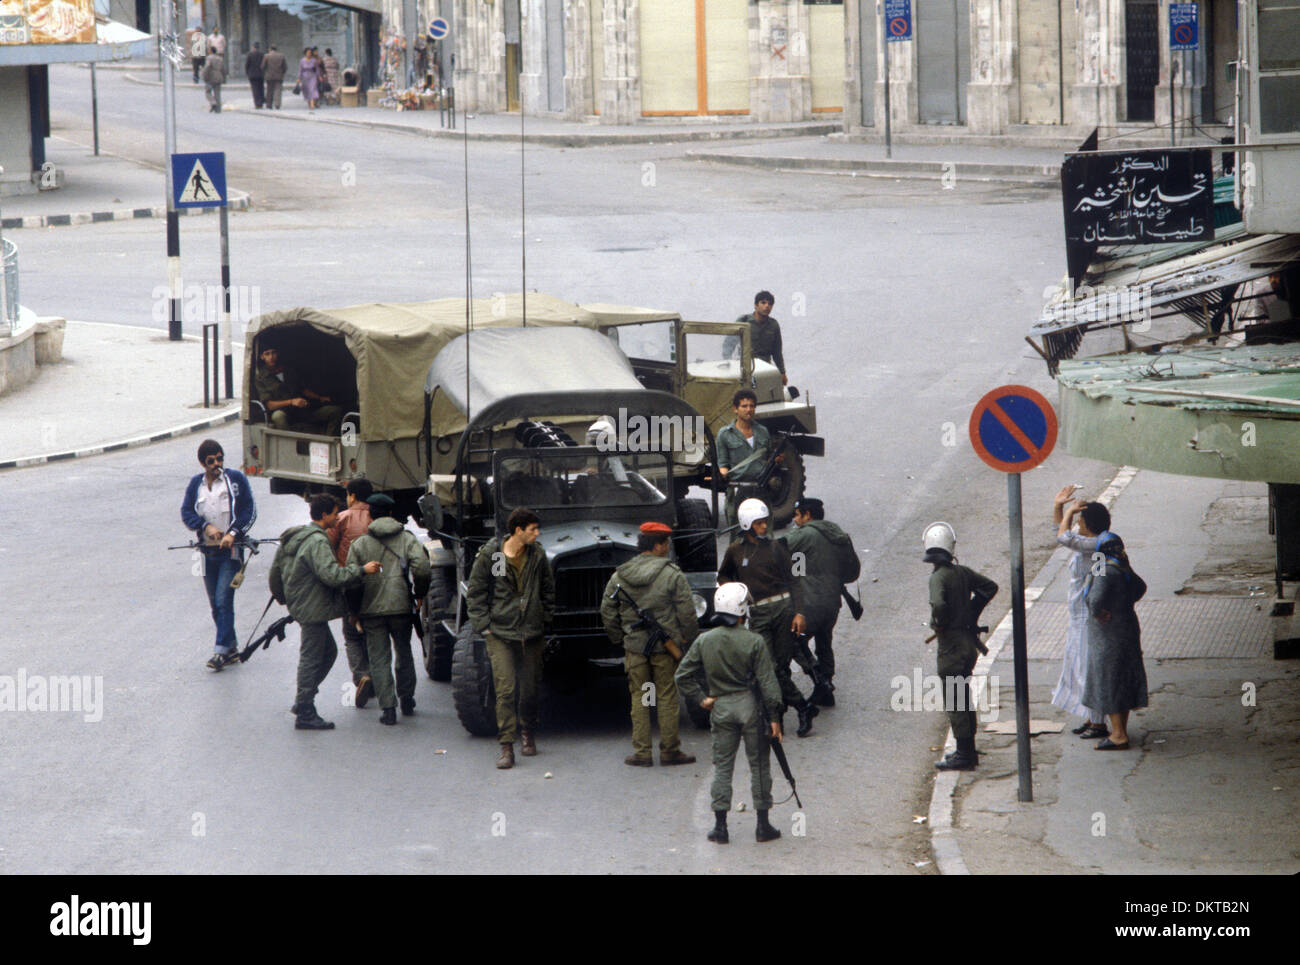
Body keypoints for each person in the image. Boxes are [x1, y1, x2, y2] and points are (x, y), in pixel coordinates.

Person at [675, 583, 784, 844]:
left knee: (722, 766)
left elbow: (682, 676)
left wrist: (702, 700)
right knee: (759, 765)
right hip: (749, 708)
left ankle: (720, 828)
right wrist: (774, 719)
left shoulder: (704, 640)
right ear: (741, 610)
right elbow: (769, 686)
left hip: (721, 708)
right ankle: (762, 826)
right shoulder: (755, 641)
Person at [275, 494, 380, 730]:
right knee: (312, 659)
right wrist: (361, 570)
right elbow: (332, 575)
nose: (336, 517)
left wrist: (290, 600)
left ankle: (303, 700)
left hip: (304, 606)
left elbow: (275, 575)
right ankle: (305, 710)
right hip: (312, 609)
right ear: (324, 515)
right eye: (334, 513)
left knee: (328, 652)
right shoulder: (318, 542)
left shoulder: (294, 538)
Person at [600, 521, 700, 767]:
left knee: (643, 697)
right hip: (665, 649)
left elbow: (607, 611)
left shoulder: (620, 575)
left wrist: (619, 638)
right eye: (665, 543)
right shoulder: (671, 573)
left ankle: (642, 752)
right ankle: (670, 750)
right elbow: (687, 611)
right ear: (658, 545)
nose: (667, 547)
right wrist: (687, 638)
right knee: (666, 697)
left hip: (635, 648)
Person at [717, 498, 817, 737]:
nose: (764, 527)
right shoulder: (735, 550)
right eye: (759, 523)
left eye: (765, 522)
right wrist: (737, 593)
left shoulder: (776, 547)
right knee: (768, 667)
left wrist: (799, 613)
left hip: (783, 610)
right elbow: (723, 577)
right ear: (747, 524)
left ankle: (778, 714)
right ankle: (802, 706)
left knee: (780, 666)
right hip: (758, 613)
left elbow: (795, 581)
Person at [466, 507, 555, 769]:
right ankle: (506, 745)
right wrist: (485, 627)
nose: (537, 535)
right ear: (518, 530)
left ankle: (528, 730)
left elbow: (548, 589)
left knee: (529, 689)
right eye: (533, 530)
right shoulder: (493, 556)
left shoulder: (537, 556)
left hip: (531, 632)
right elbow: (476, 593)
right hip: (500, 634)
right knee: (505, 690)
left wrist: (544, 617)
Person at [346, 494, 431, 726]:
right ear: (392, 514)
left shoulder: (360, 545)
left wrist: (354, 612)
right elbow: (422, 567)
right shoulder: (407, 538)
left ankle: (388, 708)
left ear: (370, 515)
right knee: (403, 651)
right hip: (401, 606)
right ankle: (407, 698)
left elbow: (352, 581)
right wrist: (419, 593)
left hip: (371, 610)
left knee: (379, 658)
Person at [924, 522, 998, 771]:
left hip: (951, 647)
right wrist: (972, 612)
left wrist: (940, 623)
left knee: (955, 699)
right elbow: (989, 587)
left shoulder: (938, 577)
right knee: (963, 695)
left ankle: (964, 754)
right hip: (968, 644)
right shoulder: (962, 572)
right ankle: (968, 748)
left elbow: (938, 604)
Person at [181, 439, 257, 670]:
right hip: (207, 553)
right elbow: (186, 512)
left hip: (230, 553)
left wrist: (233, 533)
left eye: (220, 458)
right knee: (215, 604)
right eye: (211, 460)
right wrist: (206, 528)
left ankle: (220, 651)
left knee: (224, 600)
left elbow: (249, 510)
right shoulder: (197, 484)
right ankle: (231, 646)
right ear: (203, 463)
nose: (217, 464)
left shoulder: (235, 480)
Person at [783, 496, 858, 707]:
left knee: (793, 642)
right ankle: (826, 688)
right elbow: (851, 572)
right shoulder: (837, 533)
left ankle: (820, 681)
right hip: (833, 603)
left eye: (797, 516)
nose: (795, 521)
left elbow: (778, 550)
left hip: (810, 605)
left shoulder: (805, 534)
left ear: (808, 515)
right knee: (824, 642)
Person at [1082, 530, 1148, 750]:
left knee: (1108, 680)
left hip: (1108, 633)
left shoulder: (1103, 568)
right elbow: (1140, 588)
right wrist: (1123, 603)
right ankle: (1120, 730)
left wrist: (1101, 610)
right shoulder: (1122, 565)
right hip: (1128, 627)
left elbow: (1095, 600)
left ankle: (1118, 735)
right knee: (1122, 679)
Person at [1052, 486, 1108, 739]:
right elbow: (1062, 533)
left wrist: (1067, 510)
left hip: (1089, 616)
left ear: (1090, 525)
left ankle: (1098, 722)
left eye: (1080, 521)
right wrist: (1059, 508)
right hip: (1079, 614)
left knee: (1088, 669)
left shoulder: (1094, 544)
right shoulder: (1087, 541)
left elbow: (1063, 537)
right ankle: (1090, 717)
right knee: (1077, 667)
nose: (1076, 524)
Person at [328, 478, 375, 707]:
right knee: (373, 632)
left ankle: (362, 676)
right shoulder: (377, 518)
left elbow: (328, 546)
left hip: (349, 583)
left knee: (352, 634)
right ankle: (378, 678)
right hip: (376, 582)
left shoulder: (343, 518)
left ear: (352, 496)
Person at [715, 389, 779, 531]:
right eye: (744, 406)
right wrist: (723, 473)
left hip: (760, 489)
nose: (748, 409)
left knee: (764, 533)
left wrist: (776, 460)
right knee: (738, 534)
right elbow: (723, 463)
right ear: (735, 409)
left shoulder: (762, 431)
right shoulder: (725, 434)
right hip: (738, 490)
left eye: (752, 406)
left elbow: (768, 458)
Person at [253, 342, 344, 436]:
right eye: (267, 354)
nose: (271, 357)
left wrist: (319, 397)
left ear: (278, 354)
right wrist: (291, 402)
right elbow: (269, 405)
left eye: (273, 353)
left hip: (301, 410)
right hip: (284, 412)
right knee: (278, 416)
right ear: (262, 357)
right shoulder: (260, 378)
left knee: (335, 411)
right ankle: (288, 444)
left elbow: (303, 389)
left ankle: (328, 442)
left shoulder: (288, 370)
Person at [723, 290, 787, 386]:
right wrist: (727, 364)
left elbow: (777, 352)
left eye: (770, 304)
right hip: (745, 367)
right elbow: (729, 344)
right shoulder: (744, 321)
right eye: (763, 302)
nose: (767, 306)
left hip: (764, 368)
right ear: (756, 305)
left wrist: (782, 372)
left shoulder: (773, 325)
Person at [201, 45, 226, 113]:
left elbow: (207, 67)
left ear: (211, 51)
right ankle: (218, 109)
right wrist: (224, 78)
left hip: (211, 77)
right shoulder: (220, 58)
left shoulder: (209, 58)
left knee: (208, 92)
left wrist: (204, 75)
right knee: (217, 93)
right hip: (219, 76)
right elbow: (223, 69)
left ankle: (213, 102)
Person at [262, 44, 287, 109]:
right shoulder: (281, 56)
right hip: (279, 76)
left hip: (269, 76)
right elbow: (285, 67)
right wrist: (282, 73)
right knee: (278, 90)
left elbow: (263, 66)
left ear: (270, 49)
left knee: (269, 90)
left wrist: (265, 72)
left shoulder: (266, 56)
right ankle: (277, 104)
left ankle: (269, 104)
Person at [245, 41, 265, 109]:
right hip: (260, 74)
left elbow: (247, 65)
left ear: (253, 47)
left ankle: (257, 103)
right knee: (261, 88)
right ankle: (261, 102)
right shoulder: (262, 54)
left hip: (252, 74)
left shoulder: (250, 54)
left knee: (255, 89)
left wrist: (247, 73)